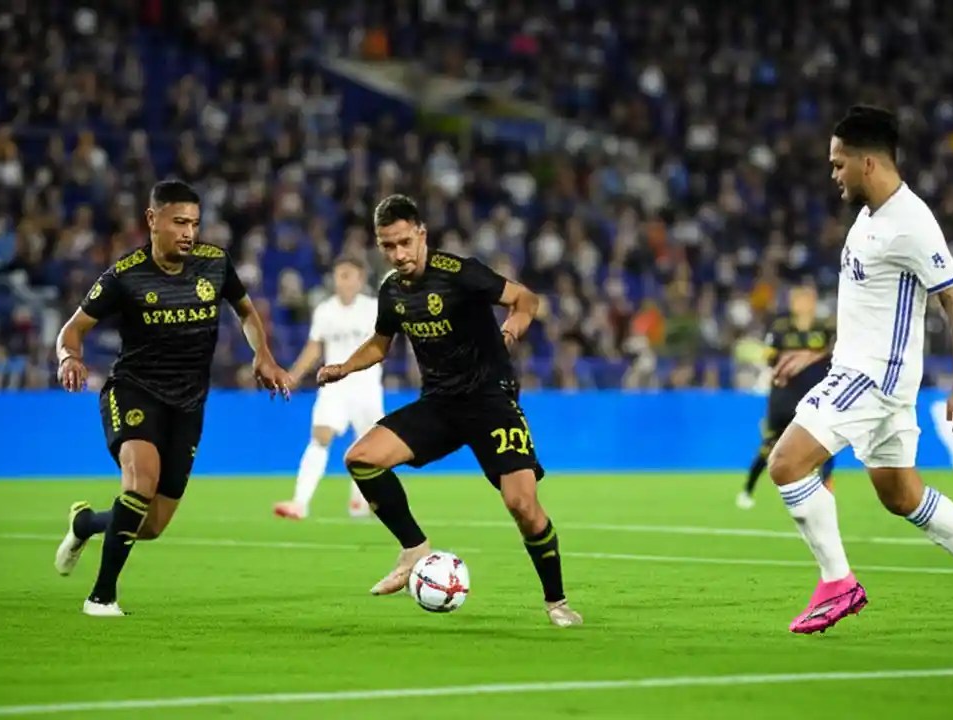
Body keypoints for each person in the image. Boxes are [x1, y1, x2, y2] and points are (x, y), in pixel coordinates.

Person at [766, 106, 953, 635]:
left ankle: (837, 582)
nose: (834, 175)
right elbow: (872, 308)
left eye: (839, 164)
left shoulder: (911, 223)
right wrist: (821, 354)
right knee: (900, 495)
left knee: (785, 464)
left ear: (868, 163)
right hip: (862, 372)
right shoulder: (870, 218)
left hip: (874, 380)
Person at [316, 194, 582, 627]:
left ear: (422, 234)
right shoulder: (391, 291)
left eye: (404, 242)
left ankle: (557, 602)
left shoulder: (460, 273)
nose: (398, 254)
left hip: (491, 401)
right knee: (361, 459)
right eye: (388, 246)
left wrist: (514, 326)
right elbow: (381, 345)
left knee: (522, 505)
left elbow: (526, 299)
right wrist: (345, 367)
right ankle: (414, 550)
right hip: (440, 404)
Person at [53, 179, 291, 617]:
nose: (189, 232)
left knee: (153, 524)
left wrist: (264, 356)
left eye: (195, 224)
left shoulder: (215, 264)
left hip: (188, 404)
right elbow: (73, 329)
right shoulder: (125, 276)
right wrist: (69, 357)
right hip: (133, 391)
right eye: (179, 222)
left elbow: (245, 310)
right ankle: (101, 596)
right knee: (140, 483)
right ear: (152, 220)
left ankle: (86, 523)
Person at [274, 257, 382, 520]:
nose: (342, 281)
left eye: (348, 275)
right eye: (339, 275)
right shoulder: (325, 310)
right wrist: (294, 376)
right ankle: (300, 503)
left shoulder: (374, 309)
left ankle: (359, 499)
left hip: (366, 386)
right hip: (334, 388)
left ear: (360, 279)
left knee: (368, 449)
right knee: (320, 437)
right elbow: (315, 347)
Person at [738, 284, 836, 509]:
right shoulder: (781, 329)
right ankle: (748, 489)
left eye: (809, 299)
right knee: (770, 446)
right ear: (793, 304)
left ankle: (824, 491)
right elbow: (769, 357)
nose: (805, 303)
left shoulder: (825, 329)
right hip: (784, 397)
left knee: (825, 443)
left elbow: (835, 357)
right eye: (800, 299)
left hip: (815, 397)